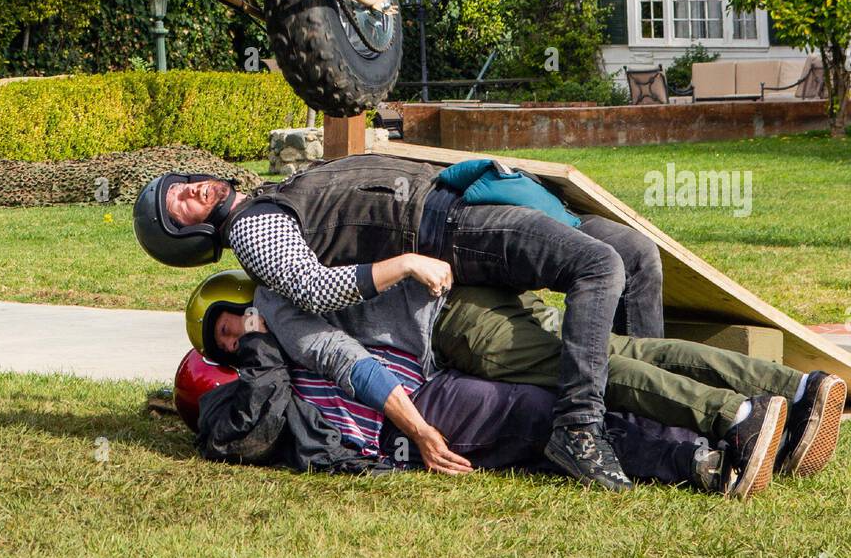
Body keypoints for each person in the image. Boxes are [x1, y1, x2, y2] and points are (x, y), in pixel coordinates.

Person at [134, 153, 664, 490]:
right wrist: (406, 263)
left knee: (638, 255)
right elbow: (314, 289)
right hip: (450, 227)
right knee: (598, 265)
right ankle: (579, 429)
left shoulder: (276, 192)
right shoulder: (252, 228)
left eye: (183, 182)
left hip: (465, 195)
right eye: (179, 203)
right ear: (187, 239)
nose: (192, 188)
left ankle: (651, 419)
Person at [197, 275, 845, 500]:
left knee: (584, 383)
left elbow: (358, 358)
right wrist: (254, 343)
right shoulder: (269, 362)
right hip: (420, 400)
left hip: (433, 380)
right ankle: (742, 430)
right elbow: (257, 415)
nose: (239, 336)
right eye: (227, 338)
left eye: (237, 325)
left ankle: (749, 420)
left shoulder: (298, 305)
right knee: (554, 412)